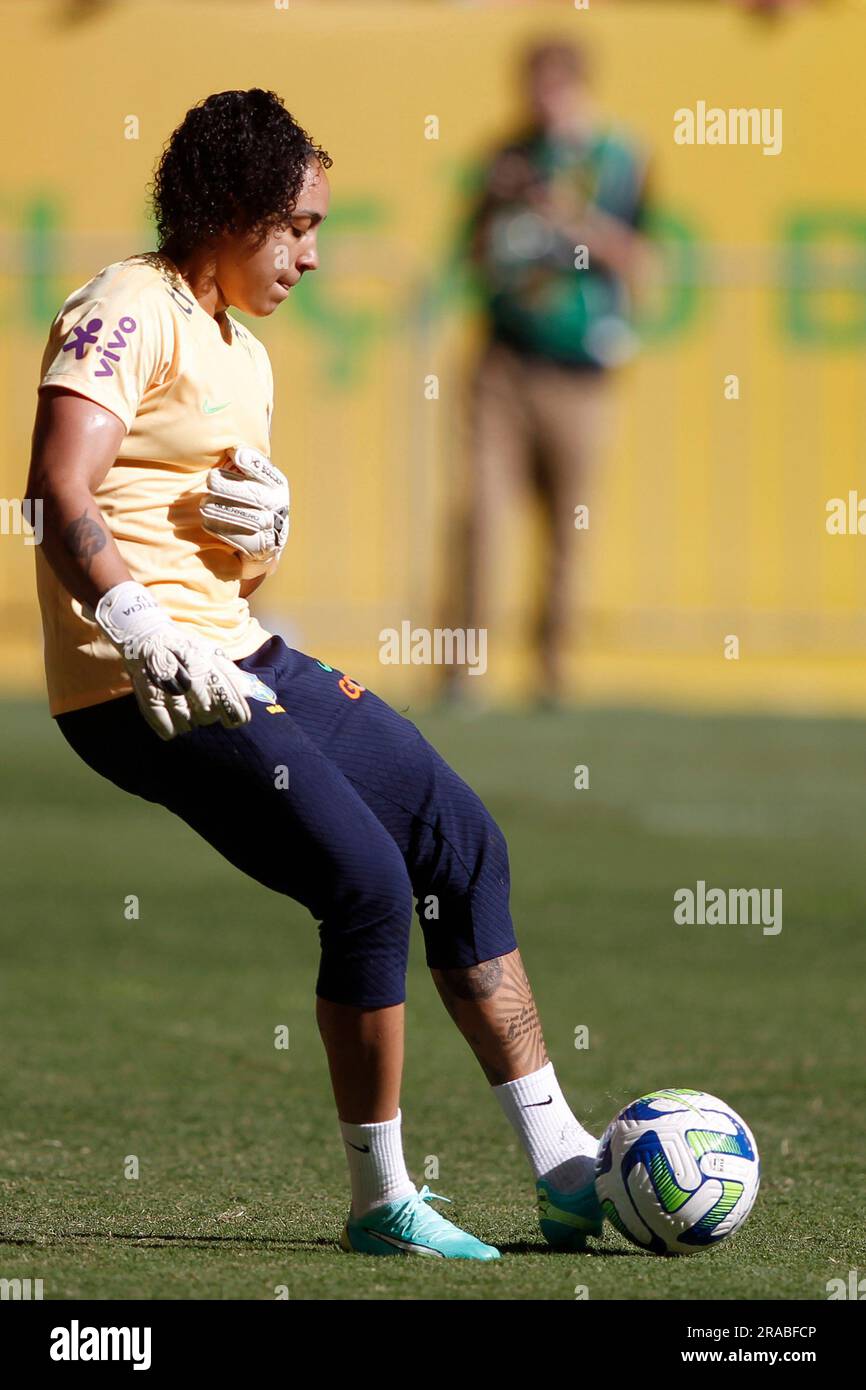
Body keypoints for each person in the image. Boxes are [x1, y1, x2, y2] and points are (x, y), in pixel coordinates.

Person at [25, 88, 601, 1260]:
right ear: (233, 208)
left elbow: (220, 543)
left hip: (233, 650)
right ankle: (380, 1199)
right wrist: (136, 620)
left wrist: (266, 532)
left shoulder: (242, 345)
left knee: (458, 837)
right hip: (137, 677)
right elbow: (55, 491)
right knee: (368, 885)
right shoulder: (127, 304)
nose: (315, 254)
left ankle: (564, 1165)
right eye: (297, 225)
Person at [455, 40, 649, 703]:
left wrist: (564, 215)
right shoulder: (503, 156)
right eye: (533, 88)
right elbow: (471, 255)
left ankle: (553, 672)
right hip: (504, 359)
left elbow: (640, 260)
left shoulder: (621, 159)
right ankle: (464, 672)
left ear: (578, 88)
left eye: (555, 89)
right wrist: (503, 208)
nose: (542, 103)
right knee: (481, 512)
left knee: (570, 525)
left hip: (581, 368)